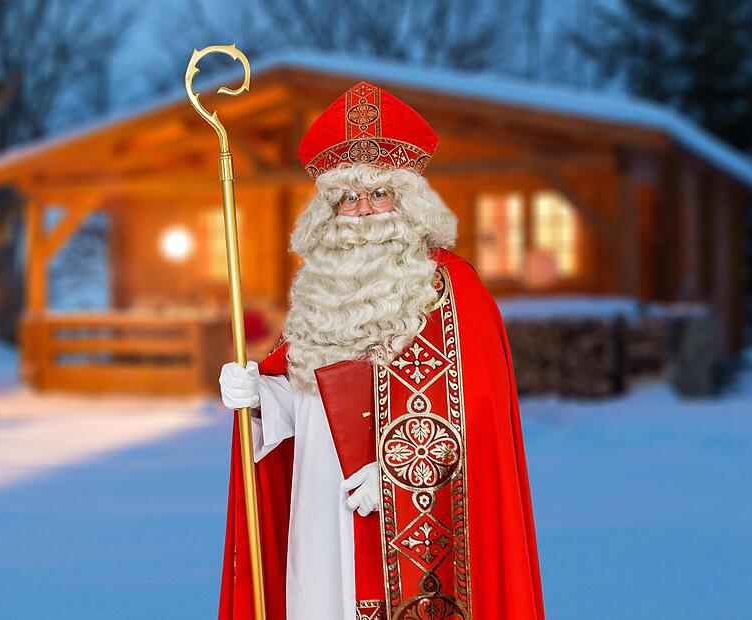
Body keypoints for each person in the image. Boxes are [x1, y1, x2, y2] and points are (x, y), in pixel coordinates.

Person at [216, 81, 544, 620]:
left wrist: (397, 474)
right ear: (329, 210)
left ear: (407, 199)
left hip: (418, 521)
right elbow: (308, 401)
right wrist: (260, 398)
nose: (363, 210)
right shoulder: (322, 288)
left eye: (377, 192)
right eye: (348, 196)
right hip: (320, 502)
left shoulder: (453, 288)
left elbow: (479, 414)